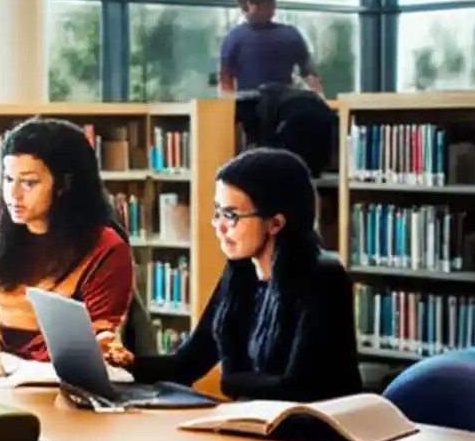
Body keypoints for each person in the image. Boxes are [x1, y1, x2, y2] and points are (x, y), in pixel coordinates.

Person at [130, 148, 361, 402]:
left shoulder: (323, 280)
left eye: (231, 215)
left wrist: (232, 383)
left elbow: (301, 389)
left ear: (275, 223)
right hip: (255, 425)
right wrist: (121, 364)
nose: (219, 226)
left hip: (313, 432)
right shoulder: (241, 272)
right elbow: (188, 363)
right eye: (217, 212)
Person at [0, 117, 136, 366]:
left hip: (61, 383)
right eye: (8, 180)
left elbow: (94, 343)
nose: (13, 195)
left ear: (64, 185)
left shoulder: (105, 249)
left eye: (28, 182)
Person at [219, 0, 324, 96]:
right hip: (262, 107)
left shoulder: (289, 36)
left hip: (272, 107)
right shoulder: (235, 38)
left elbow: (310, 76)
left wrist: (321, 102)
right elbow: (225, 82)